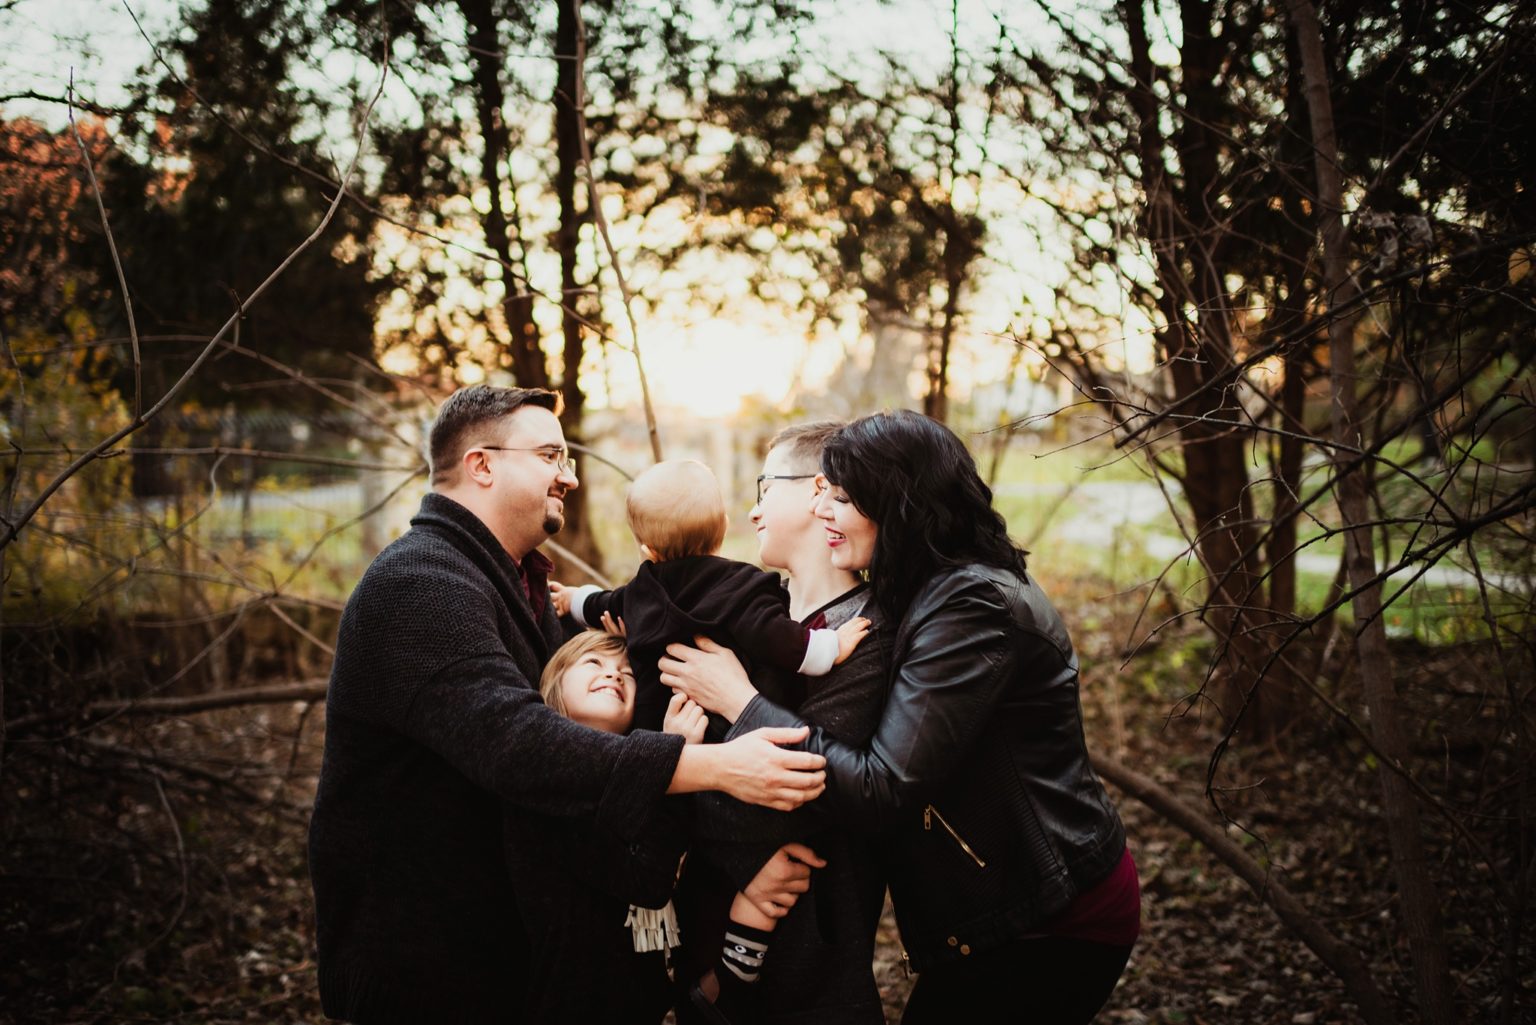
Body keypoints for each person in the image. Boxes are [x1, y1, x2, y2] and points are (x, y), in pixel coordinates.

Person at [307, 385, 827, 1025]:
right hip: (430, 974)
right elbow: (519, 744)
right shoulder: (418, 584)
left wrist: (748, 860)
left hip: (520, 971)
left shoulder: (516, 584)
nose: (570, 477)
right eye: (552, 456)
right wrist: (719, 767)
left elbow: (619, 744)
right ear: (482, 465)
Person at [661, 410, 1142, 1025]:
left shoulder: (971, 605)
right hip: (996, 899)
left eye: (841, 498)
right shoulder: (924, 585)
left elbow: (881, 787)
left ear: (897, 501)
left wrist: (740, 703)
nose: (824, 514)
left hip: (1047, 910)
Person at [671, 422, 894, 1025]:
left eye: (766, 487)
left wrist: (724, 714)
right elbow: (674, 760)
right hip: (707, 932)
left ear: (820, 490)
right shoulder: (751, 612)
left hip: (810, 962)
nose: (752, 511)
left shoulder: (865, 633)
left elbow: (815, 793)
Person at [509, 629, 822, 1025]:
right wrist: (674, 755)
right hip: (572, 1002)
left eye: (627, 672)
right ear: (554, 683)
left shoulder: (638, 777)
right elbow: (646, 879)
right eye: (594, 663)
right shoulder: (544, 779)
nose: (614, 675)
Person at [549, 458, 869, 734]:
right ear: (723, 529)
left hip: (658, 725)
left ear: (648, 550)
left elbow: (600, 605)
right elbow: (777, 637)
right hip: (726, 729)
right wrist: (830, 646)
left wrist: (571, 599)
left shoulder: (639, 592)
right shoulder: (743, 586)